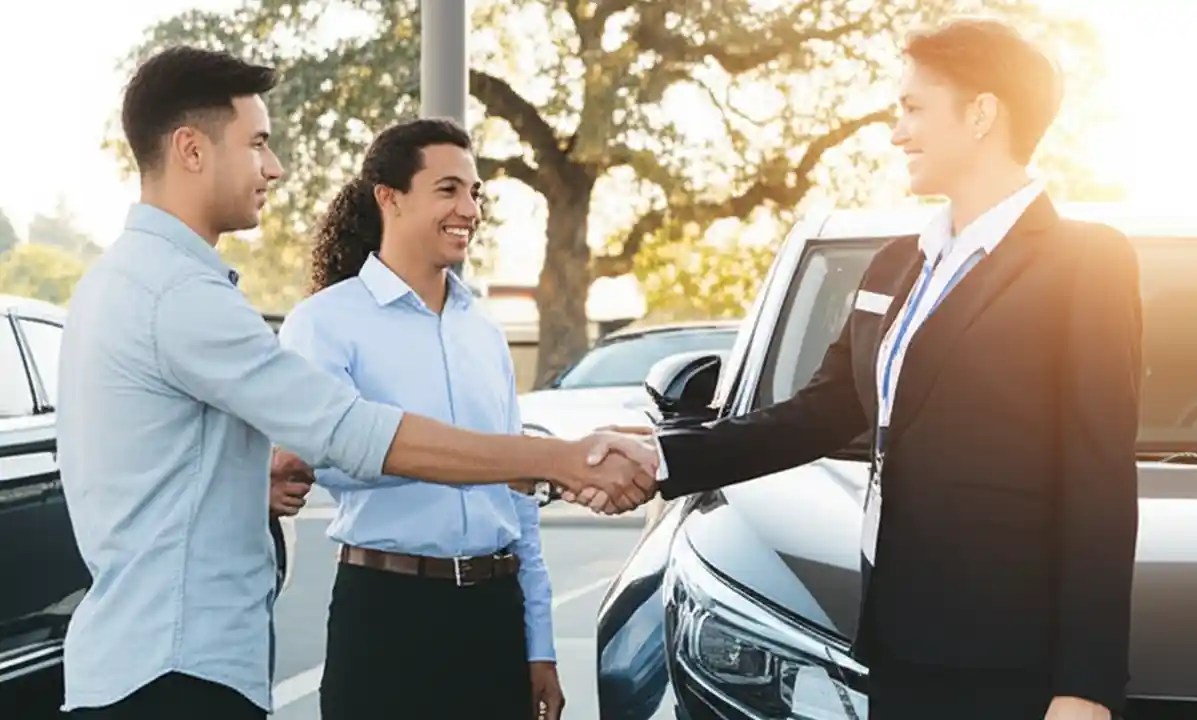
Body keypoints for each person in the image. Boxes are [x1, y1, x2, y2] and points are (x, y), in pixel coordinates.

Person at [55, 46, 654, 720]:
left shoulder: (123, 281)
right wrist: (561, 459)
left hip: (155, 663)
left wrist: (248, 480)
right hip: (173, 677)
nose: (274, 168)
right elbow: (351, 432)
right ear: (191, 149)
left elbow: (150, 464)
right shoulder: (180, 296)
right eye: (257, 144)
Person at [579, 17, 1140, 720]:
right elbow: (820, 411)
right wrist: (660, 454)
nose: (898, 131)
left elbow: (1101, 485)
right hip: (896, 647)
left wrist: (1085, 685)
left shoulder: (1085, 263)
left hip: (1008, 663)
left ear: (981, 114)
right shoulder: (898, 265)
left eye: (912, 109)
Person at [272, 118, 564, 719]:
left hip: (494, 617)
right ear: (390, 196)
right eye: (449, 189)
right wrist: (454, 458)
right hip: (387, 615)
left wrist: (541, 645)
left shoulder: (484, 333)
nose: (470, 209)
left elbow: (518, 502)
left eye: (475, 192)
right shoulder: (324, 323)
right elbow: (331, 457)